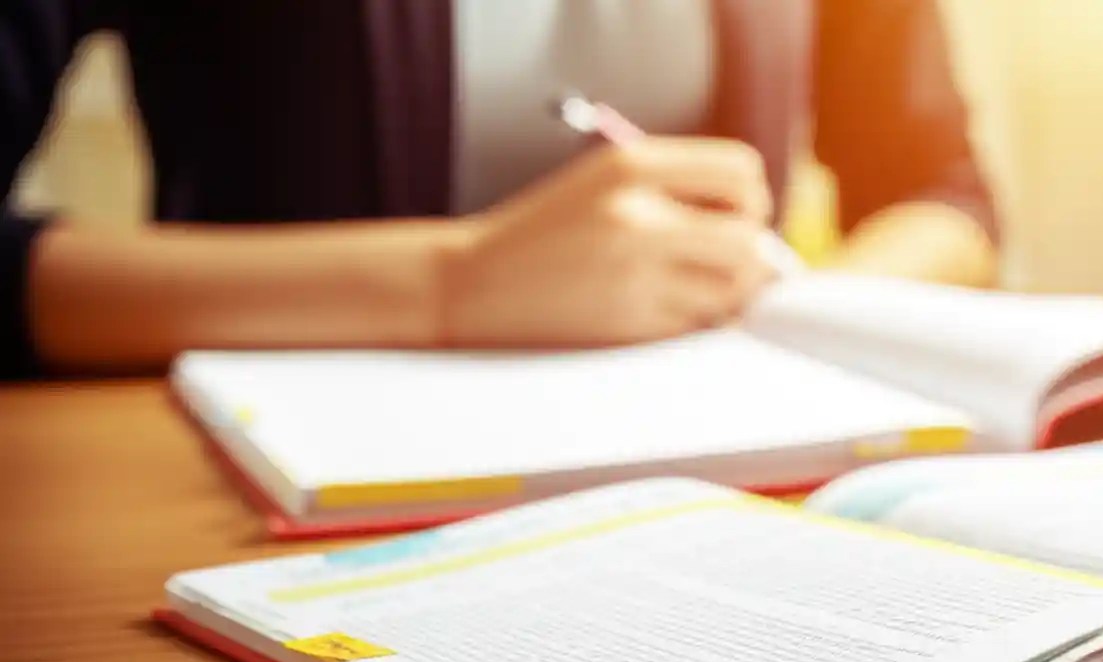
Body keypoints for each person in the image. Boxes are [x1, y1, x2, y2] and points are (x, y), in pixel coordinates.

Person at [0, 0, 997, 379]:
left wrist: (799, 318)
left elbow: (945, 196)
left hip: (714, 473)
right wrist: (453, 282)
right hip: (256, 498)